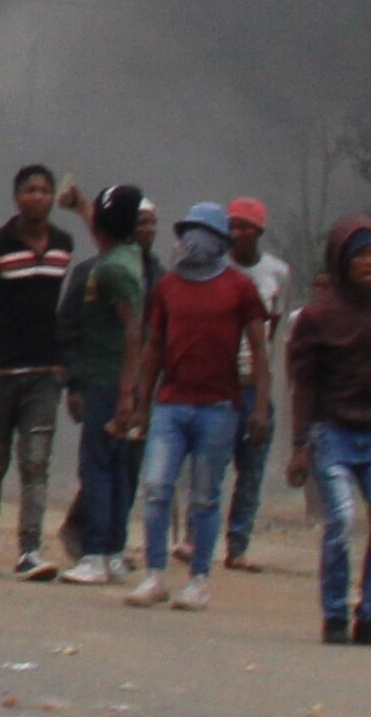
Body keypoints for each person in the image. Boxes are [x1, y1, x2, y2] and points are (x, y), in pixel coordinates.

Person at [120, 202, 271, 610]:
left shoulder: (240, 288)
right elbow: (153, 349)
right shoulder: (168, 287)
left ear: (220, 241)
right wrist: (141, 401)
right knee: (155, 488)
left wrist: (260, 407)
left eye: (201, 232)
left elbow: (259, 348)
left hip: (220, 406)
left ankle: (198, 580)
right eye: (188, 231)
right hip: (171, 403)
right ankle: (155, 575)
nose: (192, 240)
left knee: (204, 497)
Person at [0, 165, 74, 580]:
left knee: (35, 462)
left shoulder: (64, 246)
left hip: (46, 368)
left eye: (44, 191)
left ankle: (29, 549)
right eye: (29, 190)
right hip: (0, 368)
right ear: (16, 198)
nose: (38, 197)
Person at [61, 187, 151, 585]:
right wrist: (81, 207)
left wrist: (127, 393)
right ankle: (113, 550)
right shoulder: (128, 255)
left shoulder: (114, 270)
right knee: (116, 466)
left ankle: (95, 552)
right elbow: (104, 230)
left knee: (97, 465)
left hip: (108, 378)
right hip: (117, 379)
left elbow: (133, 332)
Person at [287, 217, 371, 643]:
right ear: (341, 260)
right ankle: (335, 614)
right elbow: (302, 385)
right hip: (332, 433)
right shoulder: (317, 318)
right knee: (340, 519)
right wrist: (300, 445)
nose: (369, 262)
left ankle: (368, 613)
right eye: (360, 254)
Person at [220, 197, 292, 571]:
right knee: (210, 466)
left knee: (251, 471)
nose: (238, 234)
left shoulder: (276, 273)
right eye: (233, 226)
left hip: (252, 385)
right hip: (218, 382)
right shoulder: (214, 268)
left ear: (259, 232)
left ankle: (238, 545)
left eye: (246, 227)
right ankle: (193, 539)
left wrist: (262, 393)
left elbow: (271, 331)